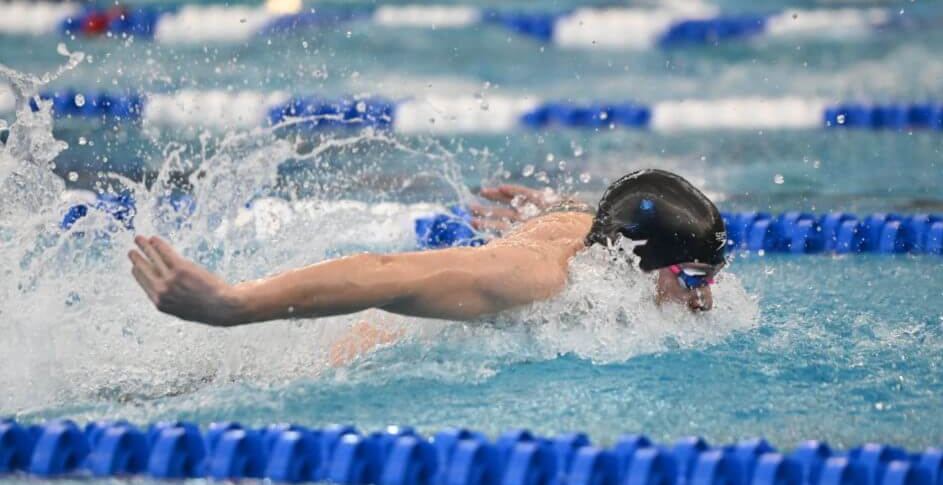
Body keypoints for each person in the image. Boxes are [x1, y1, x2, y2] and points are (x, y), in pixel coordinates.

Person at [128, 169, 728, 331]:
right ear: (632, 258)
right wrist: (233, 304)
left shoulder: (592, 233)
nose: (705, 298)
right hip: (332, 361)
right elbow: (381, 273)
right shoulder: (537, 277)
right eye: (694, 277)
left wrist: (548, 207)